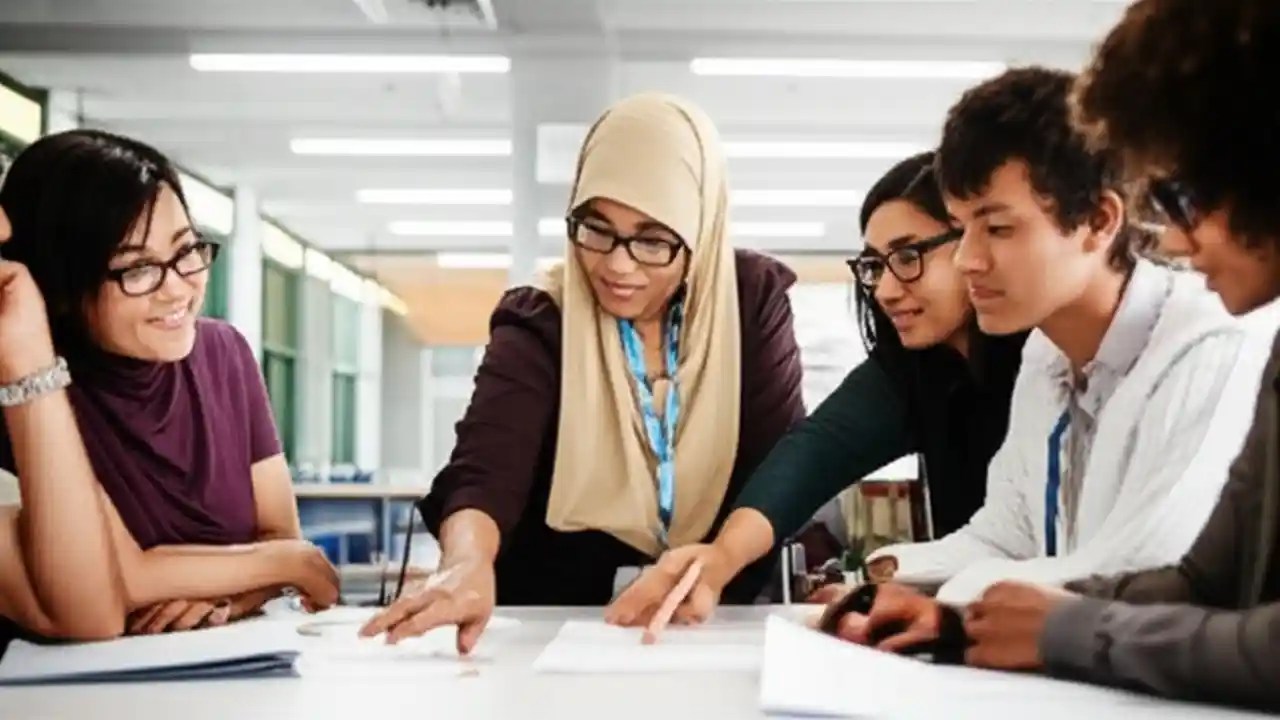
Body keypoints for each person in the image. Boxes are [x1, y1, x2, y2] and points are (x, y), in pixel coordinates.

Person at [827, 65, 1279, 648]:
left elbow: (1146, 564)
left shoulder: (1209, 342)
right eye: (962, 228)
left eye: (997, 228)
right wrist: (878, 578)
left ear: (1098, 221)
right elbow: (1005, 532)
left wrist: (953, 597)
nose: (967, 260)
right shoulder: (1046, 351)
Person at [359, 93, 806, 651]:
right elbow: (485, 467)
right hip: (551, 632)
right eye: (596, 228)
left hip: (709, 624)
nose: (617, 265)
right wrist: (466, 562)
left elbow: (784, 469)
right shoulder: (541, 318)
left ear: (699, 231)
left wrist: (724, 561)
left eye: (652, 239)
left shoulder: (749, 302)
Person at [955, 1, 1280, 710]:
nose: (1176, 240)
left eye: (1182, 195)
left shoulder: (1222, 342)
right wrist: (962, 623)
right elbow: (1203, 581)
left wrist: (1068, 628)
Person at [604, 151, 1028, 627]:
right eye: (875, 265)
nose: (885, 290)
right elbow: (811, 455)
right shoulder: (914, 370)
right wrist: (720, 558)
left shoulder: (1052, 366)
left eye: (908, 257)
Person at [0, 129, 338, 648]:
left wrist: (236, 595)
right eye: (137, 269)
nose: (178, 286)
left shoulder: (225, 354)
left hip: (230, 663)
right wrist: (290, 563)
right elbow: (115, 583)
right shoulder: (30, 396)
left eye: (187, 251)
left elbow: (277, 531)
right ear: (62, 284)